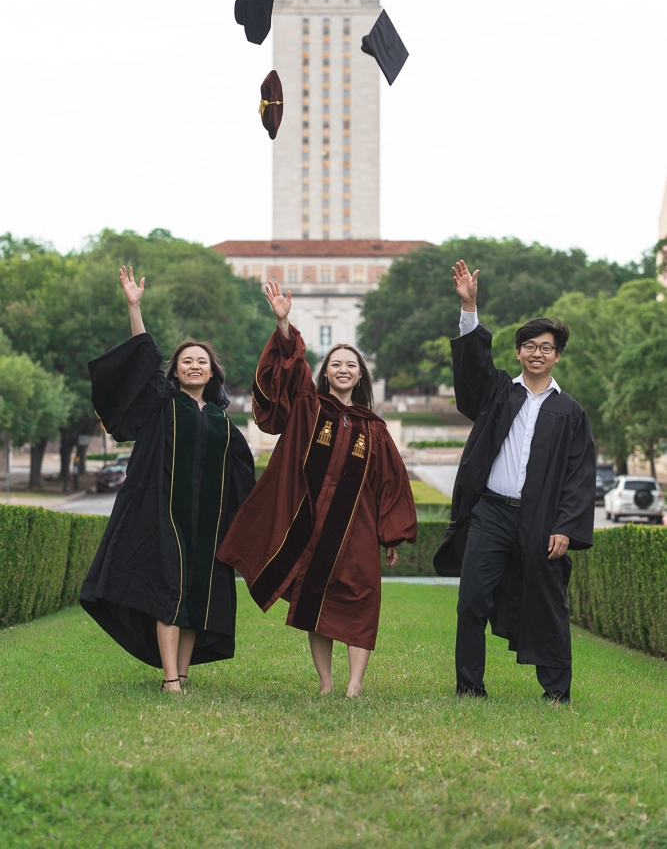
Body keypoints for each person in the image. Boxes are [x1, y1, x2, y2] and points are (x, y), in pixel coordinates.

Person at [218, 281, 417, 697]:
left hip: (357, 529)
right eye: (336, 364)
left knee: (362, 598)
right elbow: (290, 370)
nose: (343, 370)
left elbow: (391, 483)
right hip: (310, 525)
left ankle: (355, 685)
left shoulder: (375, 429)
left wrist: (392, 532)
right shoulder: (310, 408)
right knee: (316, 600)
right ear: (325, 372)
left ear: (361, 374)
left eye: (351, 365)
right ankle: (327, 683)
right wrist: (283, 322)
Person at [80, 266, 255, 692]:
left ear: (212, 372)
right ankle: (169, 678)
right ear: (175, 372)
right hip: (164, 518)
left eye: (202, 362)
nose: (194, 366)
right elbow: (142, 361)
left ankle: (184, 670)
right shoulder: (161, 405)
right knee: (168, 593)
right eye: (186, 361)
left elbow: (244, 484)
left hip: (209, 526)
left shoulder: (225, 426)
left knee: (199, 597)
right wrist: (134, 308)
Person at [434, 260, 595, 702]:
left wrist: (566, 525)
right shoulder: (501, 393)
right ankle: (469, 686)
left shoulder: (571, 413)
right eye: (528, 346)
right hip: (491, 513)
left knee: (547, 602)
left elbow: (580, 478)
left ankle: (556, 692)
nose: (536, 353)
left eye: (545, 347)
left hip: (542, 521)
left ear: (557, 355)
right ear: (519, 353)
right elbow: (472, 370)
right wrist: (469, 308)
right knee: (472, 601)